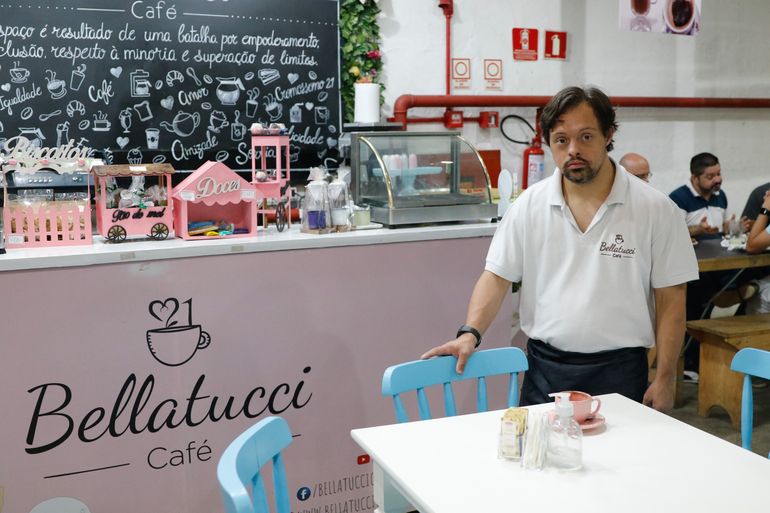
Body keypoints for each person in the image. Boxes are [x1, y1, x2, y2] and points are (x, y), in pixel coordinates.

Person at [421, 86, 698, 412]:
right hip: (546, 370)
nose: (573, 150)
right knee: (541, 460)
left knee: (623, 461)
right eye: (561, 140)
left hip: (622, 371)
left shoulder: (655, 209)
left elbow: (671, 299)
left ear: (609, 135)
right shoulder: (530, 206)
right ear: (549, 142)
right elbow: (497, 276)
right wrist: (469, 333)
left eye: (586, 137)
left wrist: (665, 378)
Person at [669, 153, 742, 241]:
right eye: (710, 176)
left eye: (718, 174)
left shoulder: (720, 194)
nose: (717, 180)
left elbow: (722, 227)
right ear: (694, 178)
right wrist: (698, 230)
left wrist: (730, 227)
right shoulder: (678, 198)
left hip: (720, 252)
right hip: (693, 253)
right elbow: (672, 233)